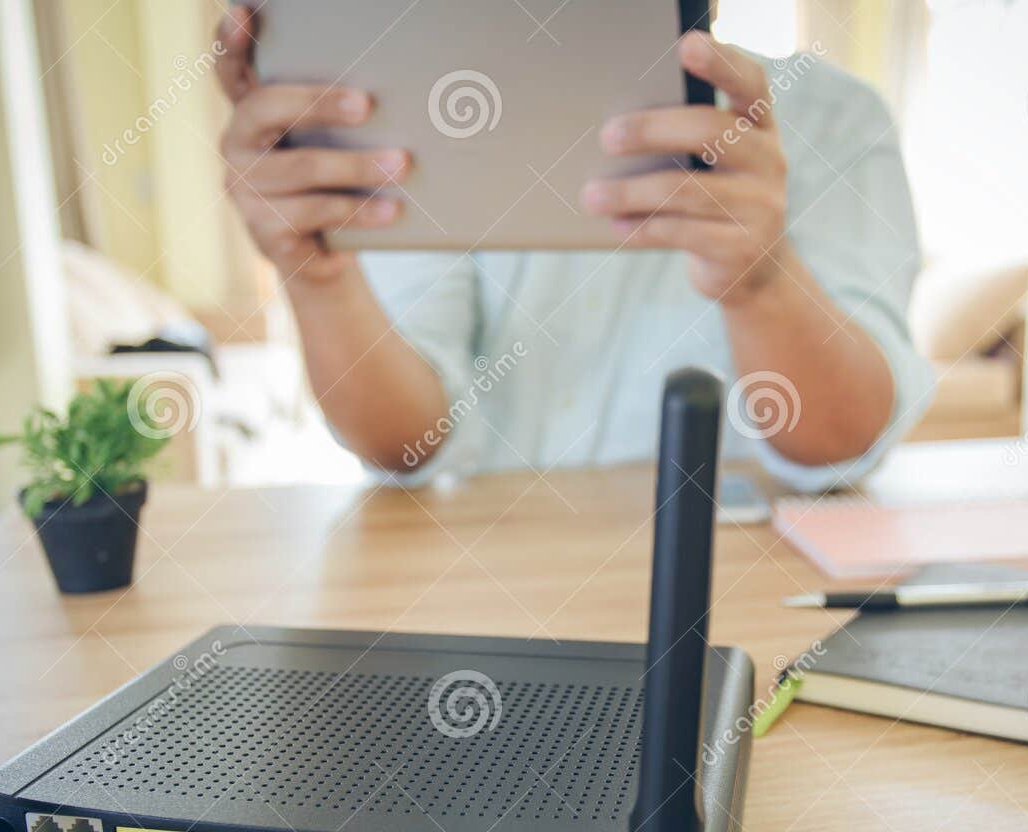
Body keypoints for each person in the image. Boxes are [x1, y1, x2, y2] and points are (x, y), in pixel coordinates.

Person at [214, 6, 932, 491]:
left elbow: (846, 438)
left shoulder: (835, 117)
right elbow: (403, 440)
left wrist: (763, 284)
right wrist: (315, 275)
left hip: (753, 593)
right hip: (497, 584)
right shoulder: (428, 114)